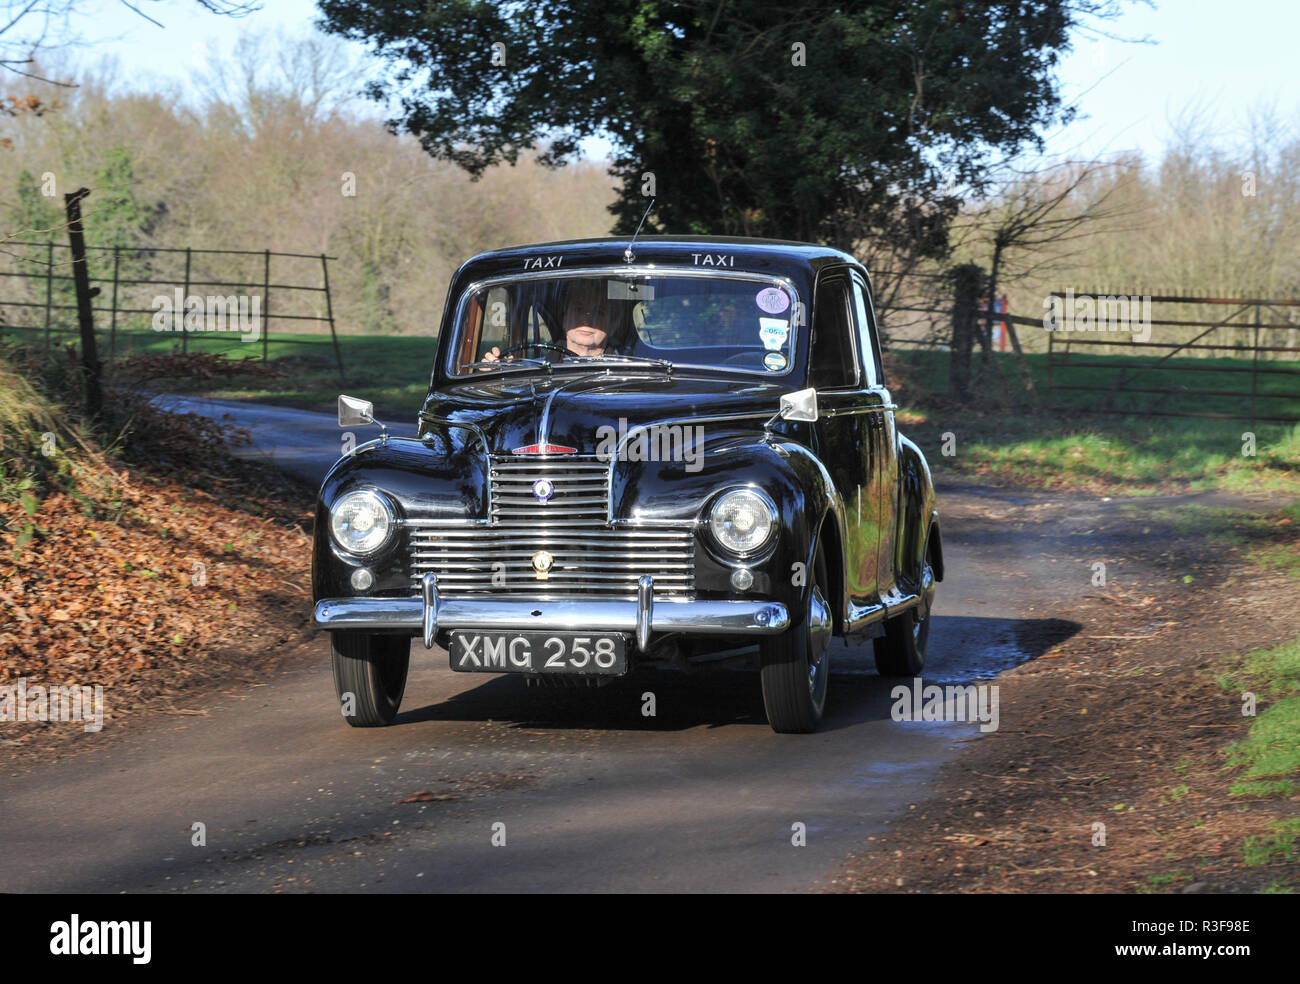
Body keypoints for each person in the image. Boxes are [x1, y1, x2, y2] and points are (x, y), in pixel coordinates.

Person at [482, 280, 609, 363]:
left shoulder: (628, 370)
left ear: (613, 323)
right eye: (578, 309)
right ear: (564, 317)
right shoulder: (532, 370)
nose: (586, 319)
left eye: (599, 312)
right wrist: (492, 377)